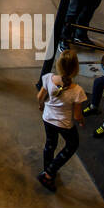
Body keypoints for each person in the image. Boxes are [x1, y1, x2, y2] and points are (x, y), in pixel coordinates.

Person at [36, 50, 86, 191]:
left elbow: (40, 97)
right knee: (72, 144)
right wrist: (81, 121)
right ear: (76, 68)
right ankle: (49, 173)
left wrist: (41, 106)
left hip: (47, 118)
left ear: (58, 65)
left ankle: (47, 170)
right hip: (64, 123)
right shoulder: (77, 91)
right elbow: (77, 116)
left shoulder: (48, 78)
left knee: (50, 143)